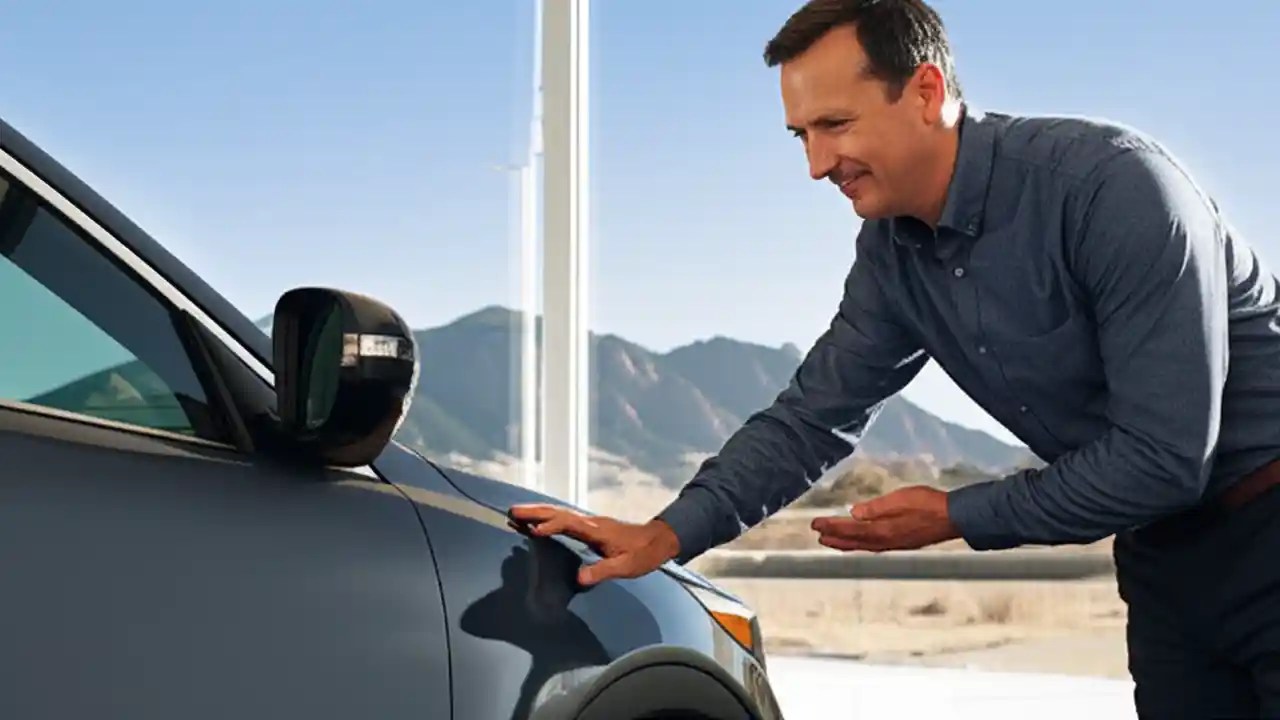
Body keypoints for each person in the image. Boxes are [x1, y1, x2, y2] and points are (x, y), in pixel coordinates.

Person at [510, 0, 1280, 715]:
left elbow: (1164, 457)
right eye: (801, 135)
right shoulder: (892, 256)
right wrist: (665, 534)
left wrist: (956, 514)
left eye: (835, 124)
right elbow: (813, 418)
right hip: (1163, 566)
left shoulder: (1111, 187)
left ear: (925, 90)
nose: (816, 163)